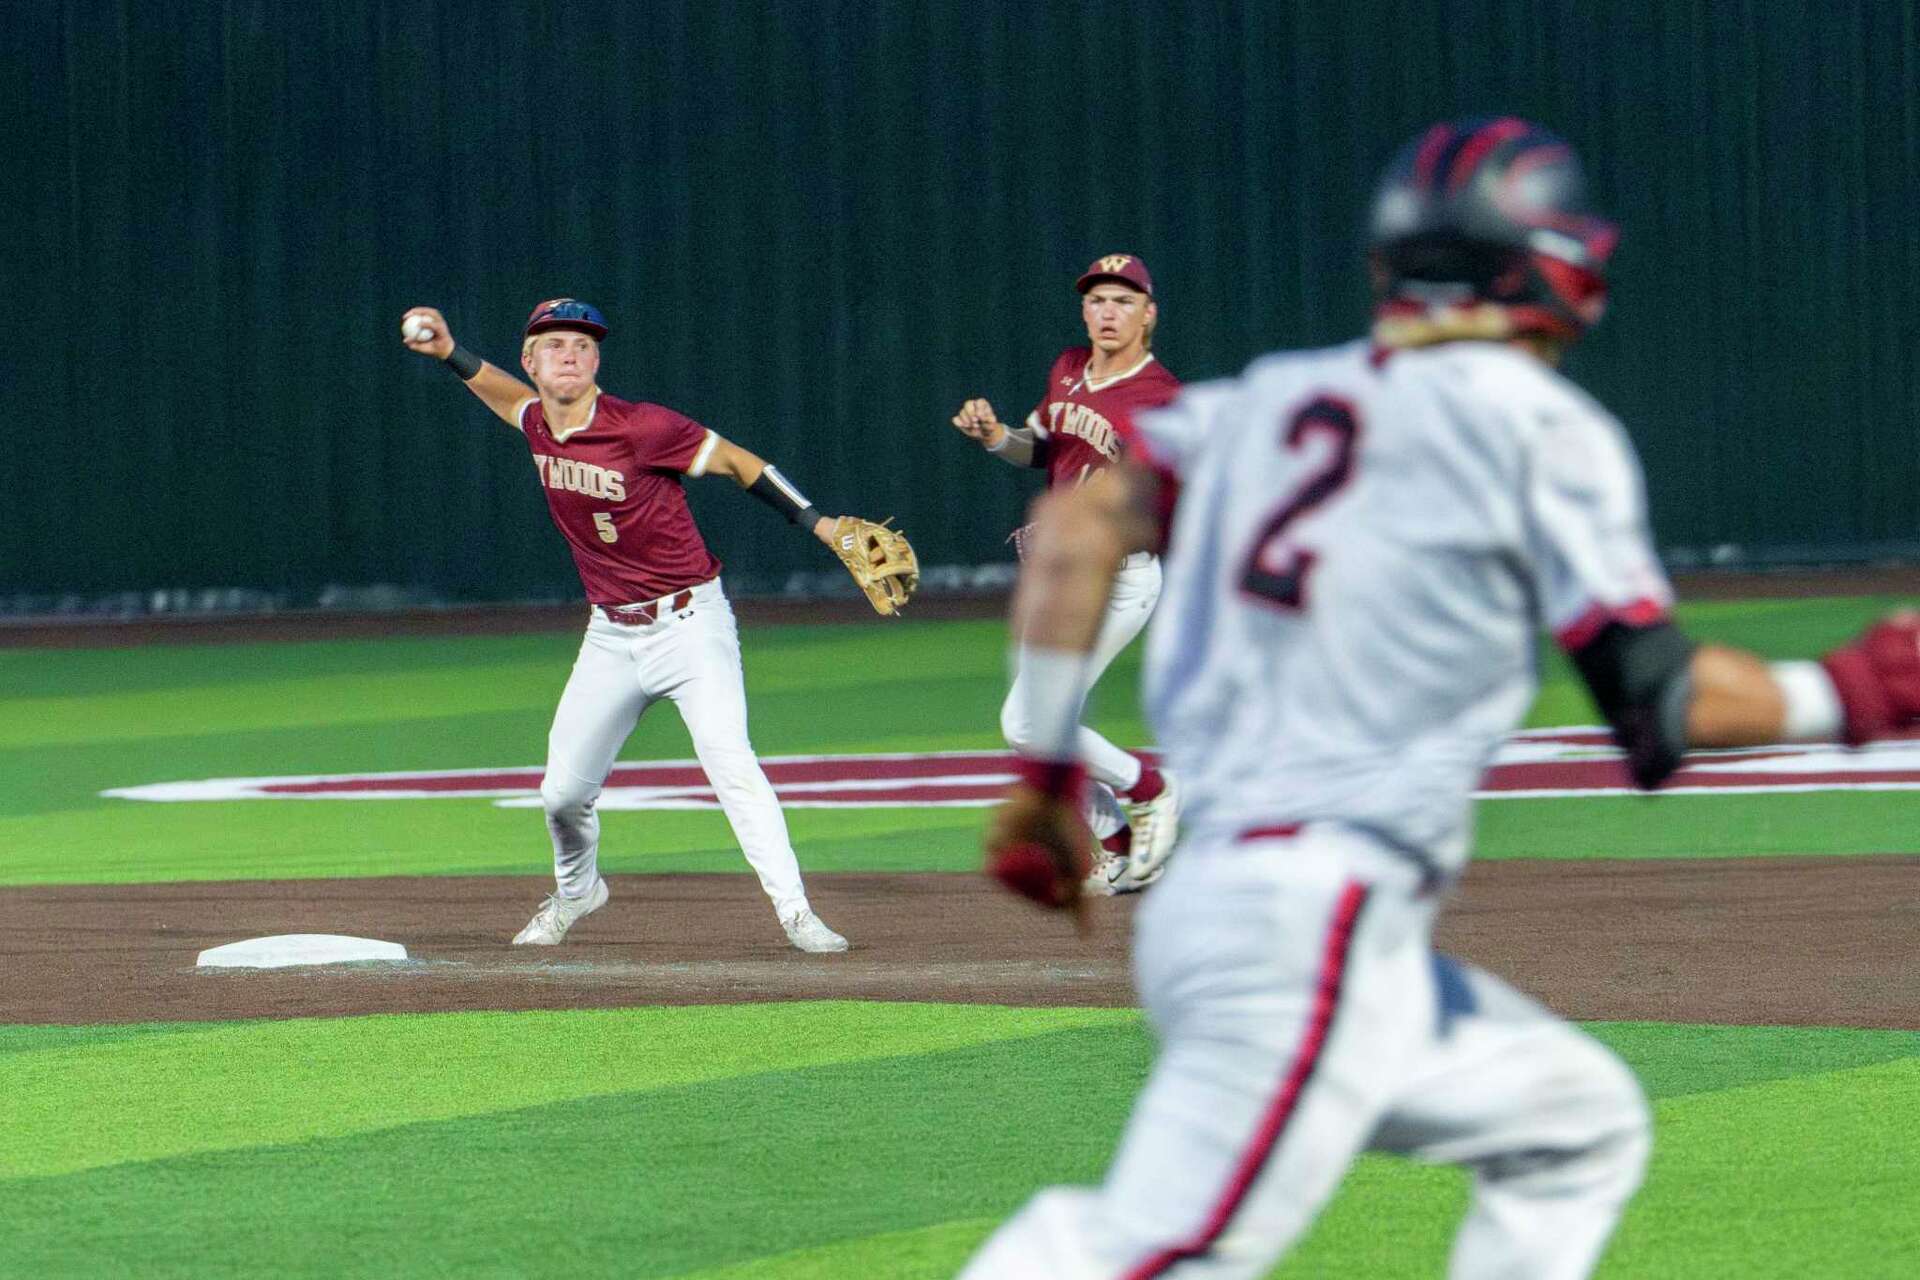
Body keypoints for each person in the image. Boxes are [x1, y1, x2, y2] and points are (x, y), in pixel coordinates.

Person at [966, 117, 1920, 1278]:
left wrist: (1045, 776)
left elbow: (1079, 526)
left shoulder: (1265, 396)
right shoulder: (1535, 423)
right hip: (1307, 920)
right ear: (1558, 269)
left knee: (1574, 1126)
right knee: (1154, 1251)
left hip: (1249, 916)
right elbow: (1663, 709)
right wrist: (1864, 684)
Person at [400, 297, 854, 953]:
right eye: (555, 344)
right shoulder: (537, 423)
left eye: (583, 346)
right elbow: (505, 399)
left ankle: (796, 912)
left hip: (690, 625)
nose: (570, 355)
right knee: (560, 796)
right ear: (531, 360)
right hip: (610, 636)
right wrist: (449, 352)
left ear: (596, 361)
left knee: (731, 763)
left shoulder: (642, 427)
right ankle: (577, 891)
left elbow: (738, 462)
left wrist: (819, 523)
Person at [950, 254, 1184, 895]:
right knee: (1040, 726)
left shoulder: (1162, 398)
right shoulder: (1068, 369)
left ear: (1149, 313)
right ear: (1084, 310)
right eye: (1098, 300)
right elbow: (1042, 446)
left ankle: (1153, 790)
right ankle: (1119, 846)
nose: (1109, 312)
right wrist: (997, 435)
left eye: (1124, 300)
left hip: (1119, 577)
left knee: (1030, 723)